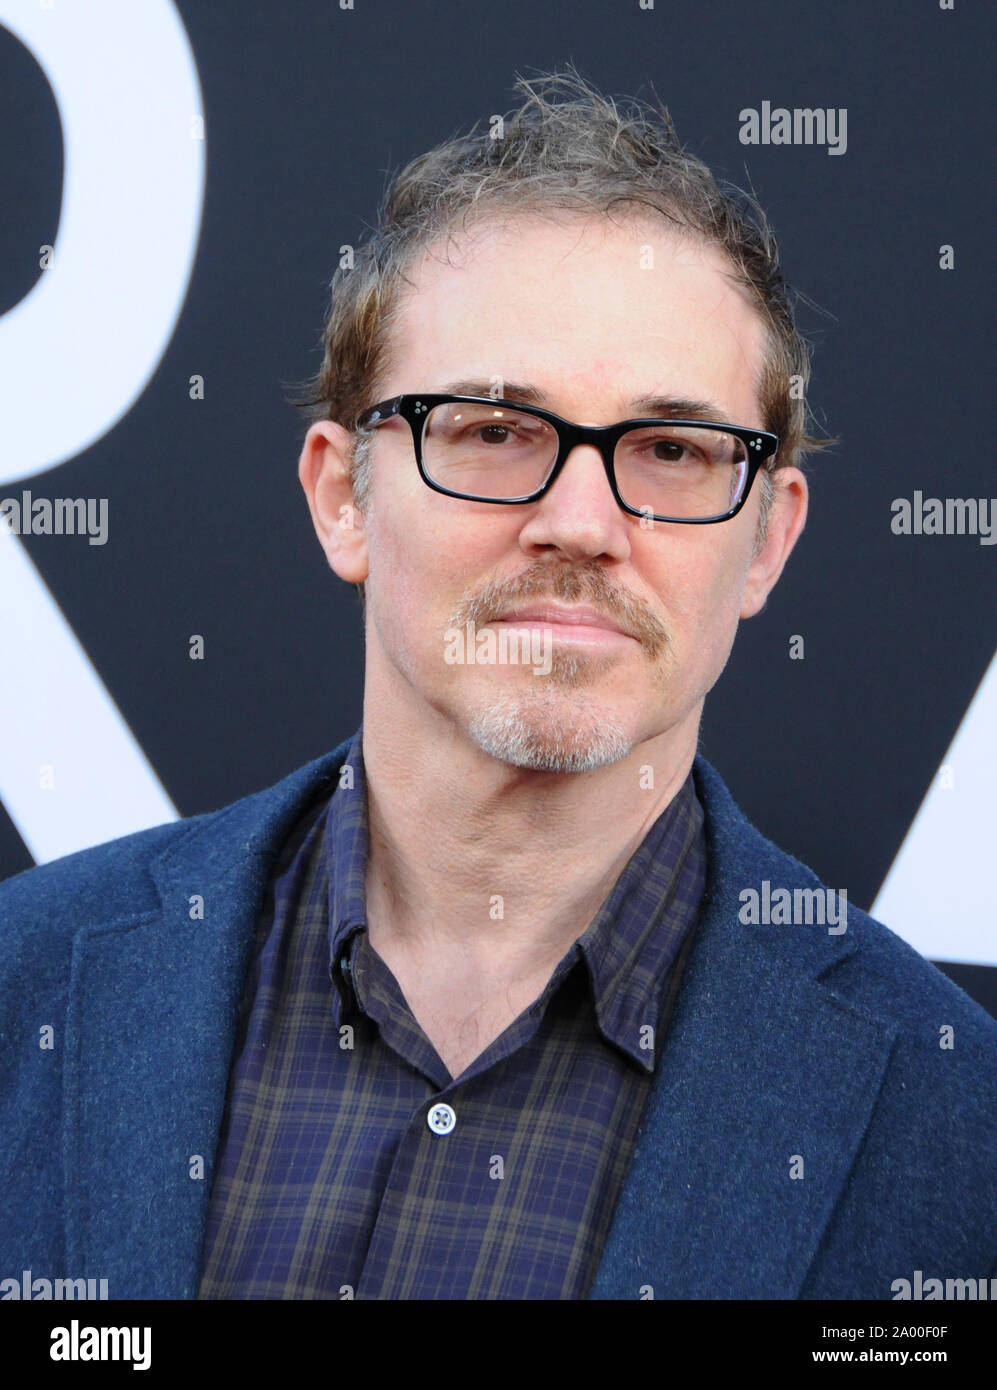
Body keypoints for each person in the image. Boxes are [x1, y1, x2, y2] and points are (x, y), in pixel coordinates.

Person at [1, 69, 995, 1302]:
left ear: (770, 539)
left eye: (672, 450)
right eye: (492, 431)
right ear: (340, 495)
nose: (581, 521)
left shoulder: (957, 1131)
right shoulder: (25, 981)